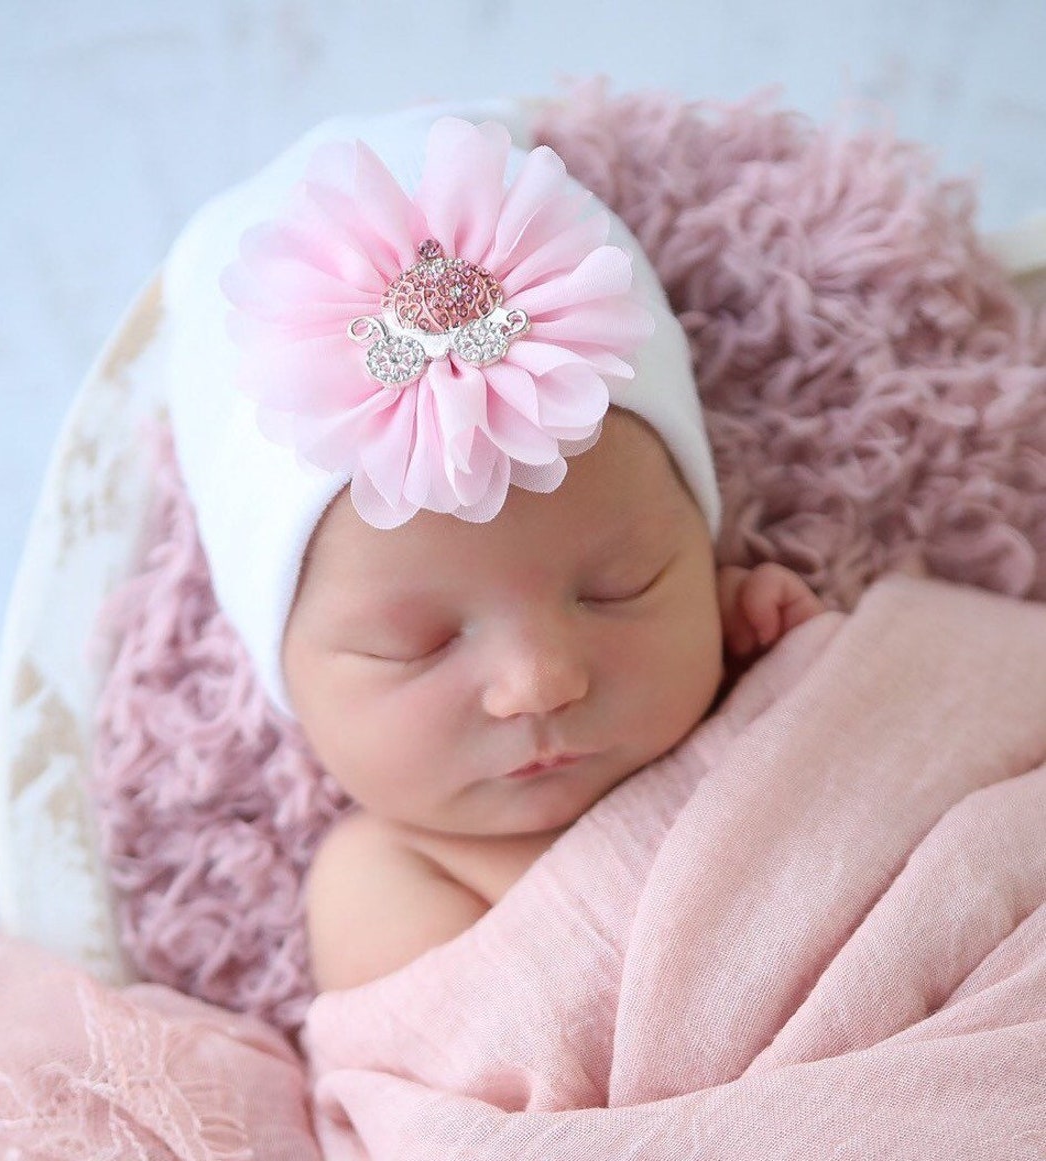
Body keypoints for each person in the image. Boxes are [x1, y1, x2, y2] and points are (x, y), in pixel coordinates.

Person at [164, 100, 824, 994]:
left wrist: (794, 682)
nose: (542, 681)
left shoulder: (754, 666)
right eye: (421, 643)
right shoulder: (389, 872)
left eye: (621, 587)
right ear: (287, 678)